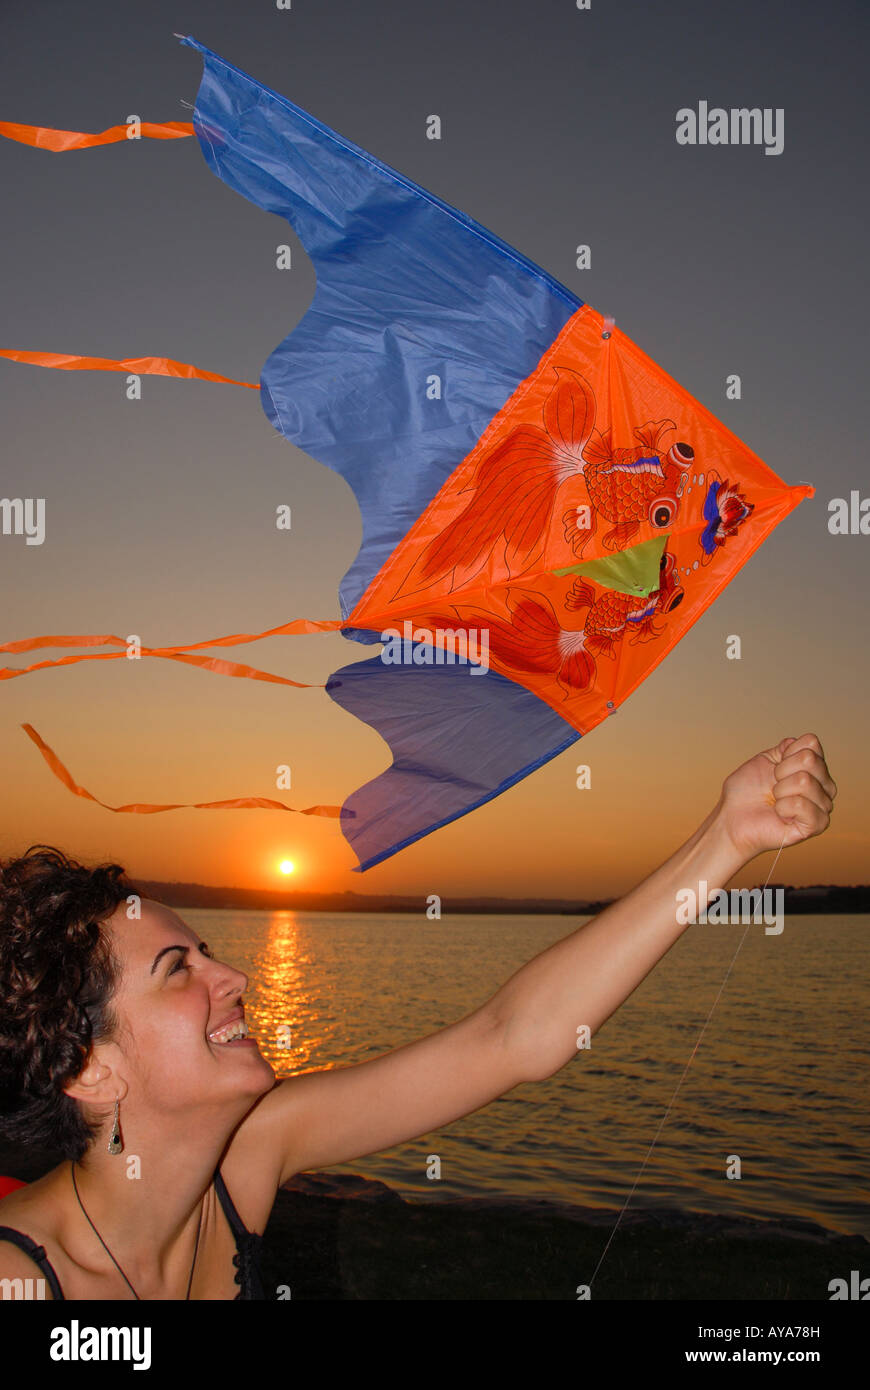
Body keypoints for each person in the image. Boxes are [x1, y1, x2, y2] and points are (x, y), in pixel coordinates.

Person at [0, 733, 836, 1300]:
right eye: (178, 969)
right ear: (89, 1067)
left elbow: (516, 1038)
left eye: (210, 951)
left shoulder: (247, 1158)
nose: (238, 976)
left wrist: (724, 840)